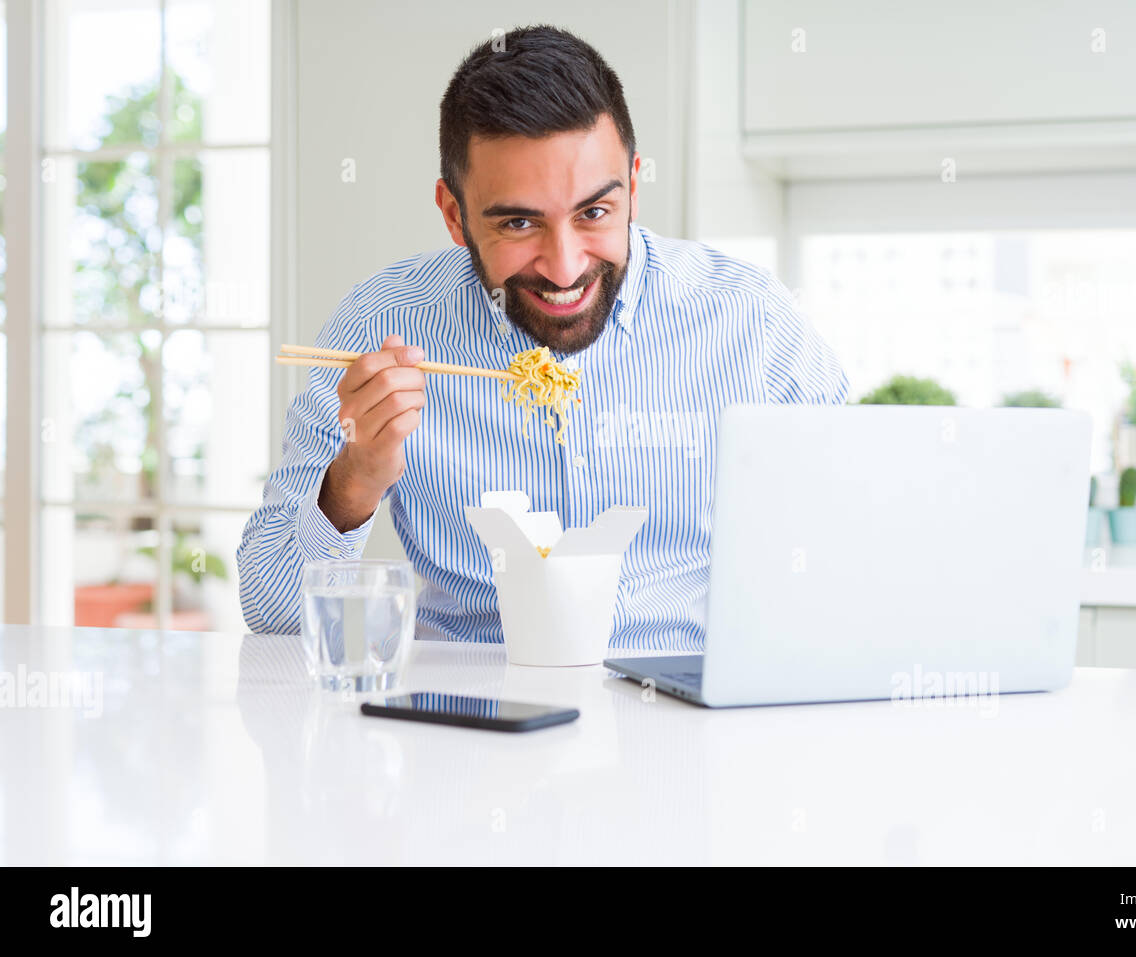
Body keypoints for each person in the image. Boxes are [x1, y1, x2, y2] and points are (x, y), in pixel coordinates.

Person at [238, 24, 848, 650]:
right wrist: (358, 475)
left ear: (633, 188)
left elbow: (851, 547)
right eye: (520, 222)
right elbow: (272, 611)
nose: (564, 268)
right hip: (472, 713)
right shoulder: (381, 327)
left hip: (690, 706)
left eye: (594, 213)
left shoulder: (750, 320)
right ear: (455, 214)